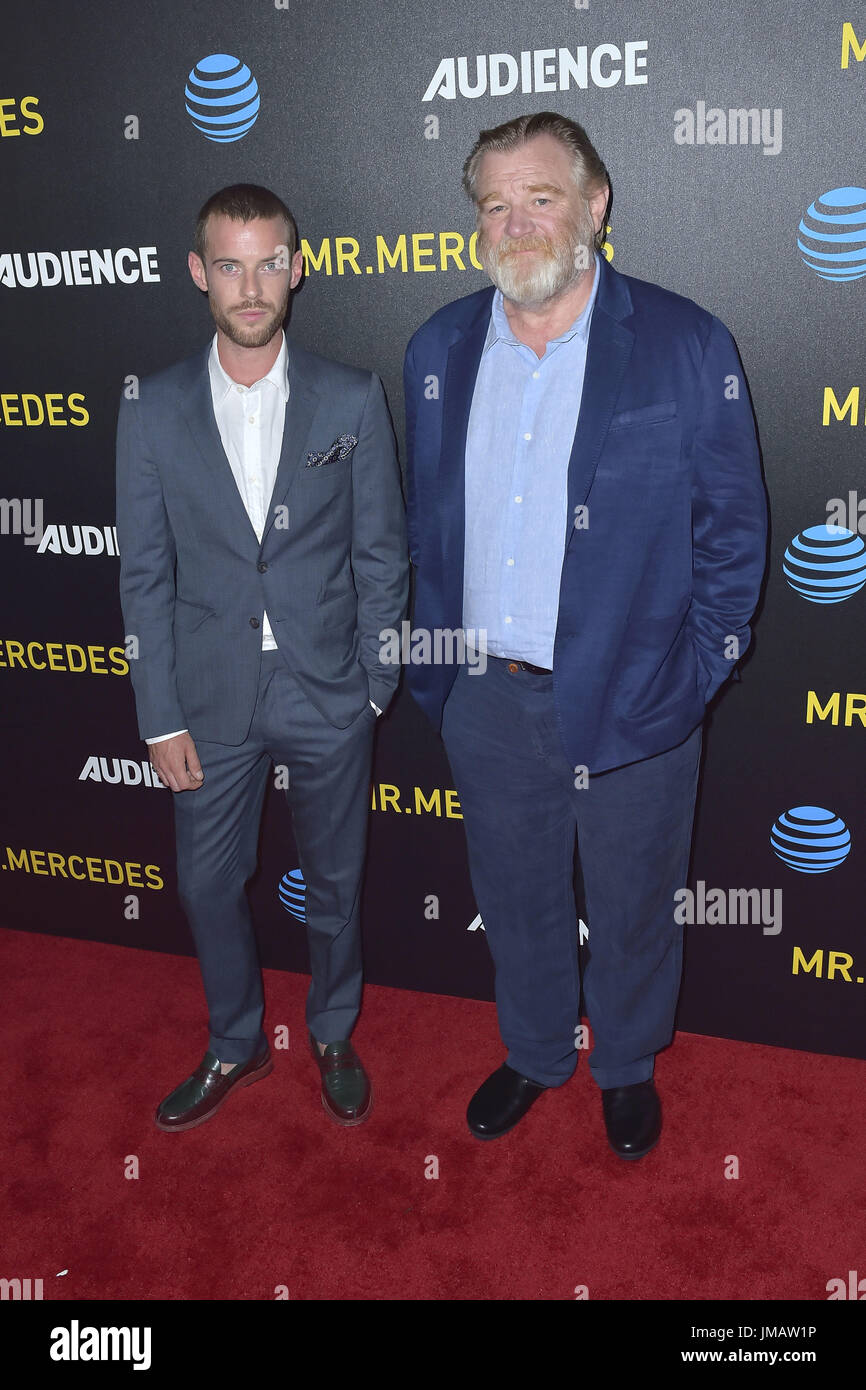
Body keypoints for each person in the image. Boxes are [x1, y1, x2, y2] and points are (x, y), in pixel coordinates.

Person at [403, 113, 767, 1158]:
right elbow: (427, 524)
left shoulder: (684, 342)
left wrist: (691, 672)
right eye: (494, 204)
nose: (515, 223)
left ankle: (623, 1063)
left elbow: (732, 532)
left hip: (632, 693)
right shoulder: (438, 346)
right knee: (511, 895)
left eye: (541, 196)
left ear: (594, 207)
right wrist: (442, 677)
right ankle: (533, 1051)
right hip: (483, 694)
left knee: (632, 899)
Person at [116, 184, 408, 1132]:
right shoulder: (152, 408)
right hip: (207, 695)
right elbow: (145, 577)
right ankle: (236, 1042)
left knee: (337, 880)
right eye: (230, 265)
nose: (251, 286)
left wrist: (375, 685)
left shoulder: (351, 394)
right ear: (199, 272)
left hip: (328, 689)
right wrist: (158, 713)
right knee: (206, 882)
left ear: (298, 267)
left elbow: (381, 552)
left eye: (269, 262)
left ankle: (330, 1031)